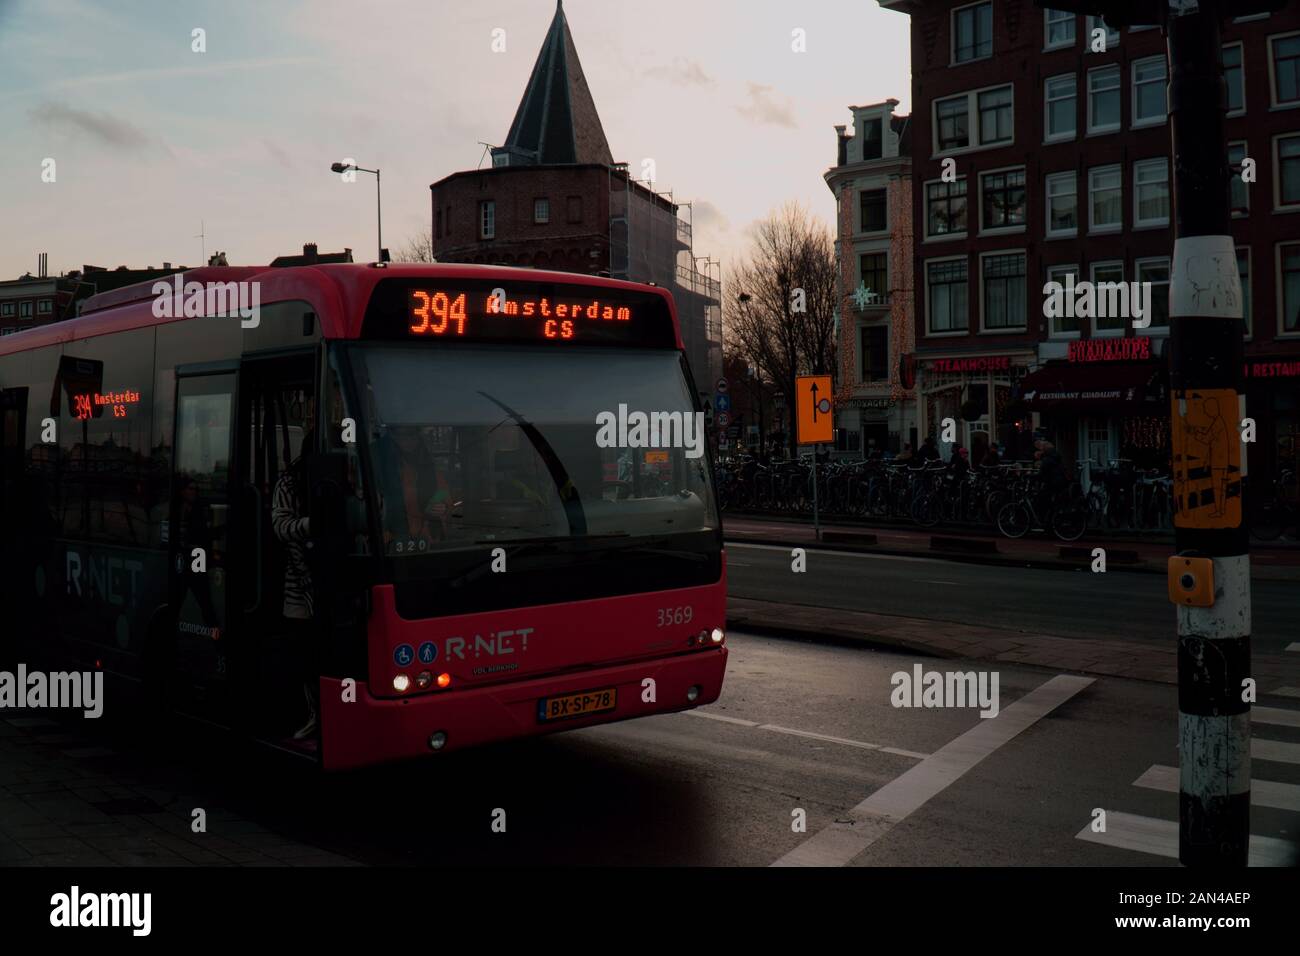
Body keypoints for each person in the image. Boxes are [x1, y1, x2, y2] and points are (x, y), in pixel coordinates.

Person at [272, 432, 318, 740]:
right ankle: (309, 713)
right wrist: (313, 524)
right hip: (299, 586)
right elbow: (279, 527)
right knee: (305, 654)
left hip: (330, 582)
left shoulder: (342, 477)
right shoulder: (288, 484)